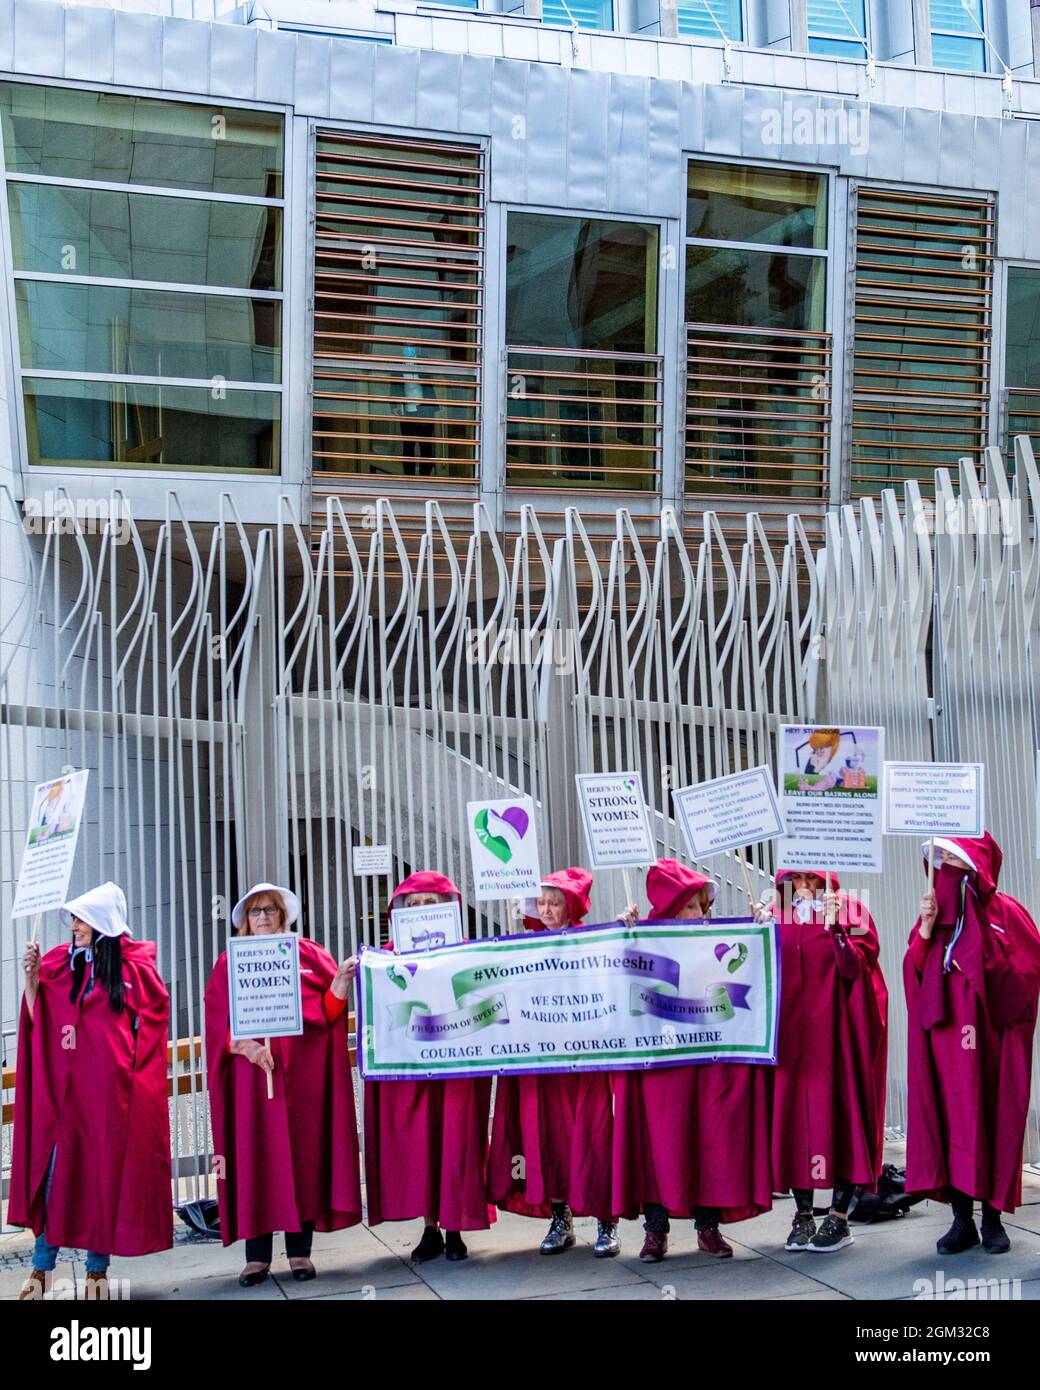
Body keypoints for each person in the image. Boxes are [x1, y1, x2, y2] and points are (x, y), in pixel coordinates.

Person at [11, 883, 172, 1300]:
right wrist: (31, 980)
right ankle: (41, 1268)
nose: (75, 926)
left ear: (103, 925)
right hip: (63, 1099)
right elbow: (37, 1019)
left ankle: (97, 1272)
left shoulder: (133, 968)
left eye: (83, 919)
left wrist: (131, 1076)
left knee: (102, 1180)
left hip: (107, 1099)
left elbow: (153, 1025)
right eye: (75, 919)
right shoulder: (55, 964)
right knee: (53, 1180)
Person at [612, 860, 772, 1261]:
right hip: (660, 1064)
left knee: (706, 1136)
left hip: (704, 1057)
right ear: (667, 909)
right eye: (689, 907)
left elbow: (751, 964)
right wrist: (623, 934)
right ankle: (655, 1231)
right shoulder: (642, 938)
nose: (698, 915)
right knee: (658, 1142)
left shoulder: (713, 938)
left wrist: (758, 926)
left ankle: (708, 1227)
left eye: (701, 907)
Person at [205, 882, 363, 1287]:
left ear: (284, 915)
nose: (262, 917)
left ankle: (299, 1252)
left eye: (270, 910)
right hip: (251, 1083)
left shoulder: (308, 955)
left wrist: (341, 983)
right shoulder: (228, 963)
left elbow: (328, 1012)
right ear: (245, 921)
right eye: (255, 911)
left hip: (301, 1081)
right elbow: (216, 1022)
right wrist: (245, 1047)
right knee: (254, 1157)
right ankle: (256, 1257)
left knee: (302, 1160)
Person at [904, 834, 1040, 1254]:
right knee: (949, 1120)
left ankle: (993, 1219)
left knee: (992, 1117)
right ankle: (961, 1219)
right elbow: (915, 977)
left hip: (991, 1042)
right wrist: (926, 934)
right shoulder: (933, 915)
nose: (941, 866)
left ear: (971, 862)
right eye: (936, 857)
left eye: (950, 856)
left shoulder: (1005, 913)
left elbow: (1026, 973)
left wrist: (982, 952)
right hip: (945, 1043)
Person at [487, 868, 619, 1257]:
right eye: (541, 903)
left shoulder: (591, 942)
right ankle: (560, 1218)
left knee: (592, 1136)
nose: (545, 909)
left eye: (554, 903)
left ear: (570, 907)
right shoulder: (523, 946)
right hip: (540, 1063)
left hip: (584, 1062)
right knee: (546, 1139)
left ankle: (605, 1221)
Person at [363, 871, 493, 1262]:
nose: (421, 911)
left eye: (430, 904)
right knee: (423, 1143)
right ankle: (430, 1227)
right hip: (413, 1068)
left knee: (456, 1140)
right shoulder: (387, 956)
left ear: (446, 909)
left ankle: (455, 1228)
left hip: (456, 1065)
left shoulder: (467, 950)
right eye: (414, 905)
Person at [758, 869, 888, 1253]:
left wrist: (836, 930)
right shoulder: (775, 915)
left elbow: (857, 972)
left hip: (835, 1038)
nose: (802, 886)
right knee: (796, 1124)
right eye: (796, 878)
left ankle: (839, 1218)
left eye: (809, 877)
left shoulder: (852, 911)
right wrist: (755, 932)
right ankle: (803, 1215)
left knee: (841, 1118)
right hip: (790, 1041)